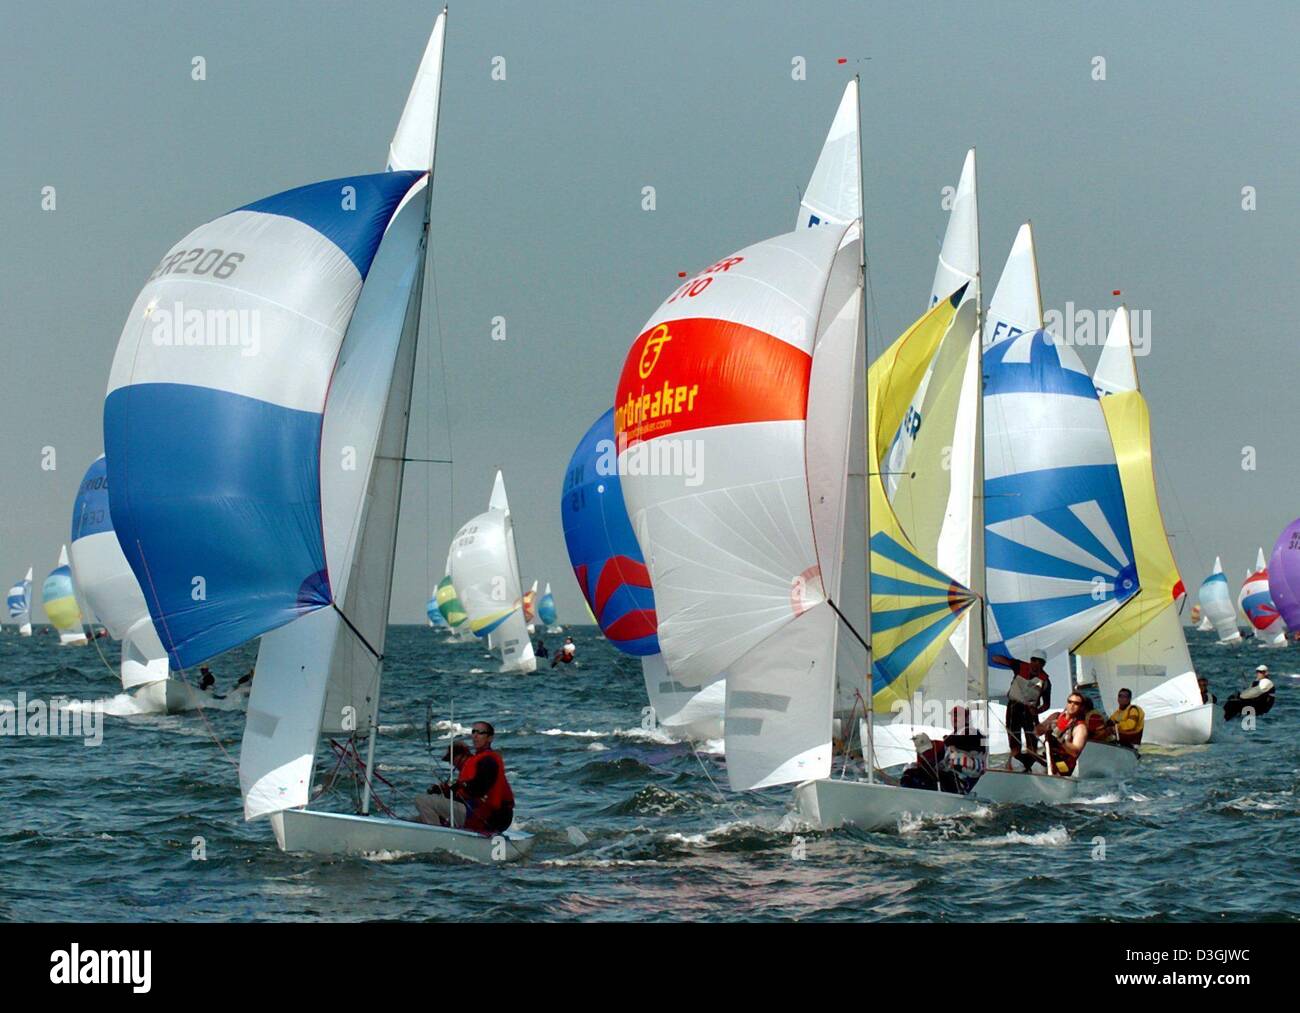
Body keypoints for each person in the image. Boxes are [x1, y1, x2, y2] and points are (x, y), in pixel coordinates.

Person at [416, 722, 516, 834]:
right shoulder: (479, 760)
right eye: (473, 732)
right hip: (486, 814)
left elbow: (478, 789)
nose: (475, 735)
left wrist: (458, 787)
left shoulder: (488, 761)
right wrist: (446, 791)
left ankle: (437, 837)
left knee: (422, 800)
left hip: (489, 817)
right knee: (418, 820)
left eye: (481, 733)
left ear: (490, 738)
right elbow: (468, 791)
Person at [991, 653, 1050, 770]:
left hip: (1030, 713)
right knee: (1014, 742)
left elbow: (1047, 704)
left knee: (1032, 744)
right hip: (1014, 709)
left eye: (1039, 662)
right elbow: (999, 659)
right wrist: (988, 653)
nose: (1036, 663)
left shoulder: (1045, 681)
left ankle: (1032, 767)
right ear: (1030, 660)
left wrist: (1037, 711)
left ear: (1043, 664)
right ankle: (1012, 766)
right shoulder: (1020, 666)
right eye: (1034, 660)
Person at [1034, 691, 1090, 775]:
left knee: (1044, 768)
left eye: (1076, 703)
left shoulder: (1080, 728)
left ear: (1081, 707)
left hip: (1063, 765)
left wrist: (1060, 737)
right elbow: (1037, 731)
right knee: (1024, 764)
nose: (1072, 705)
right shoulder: (1056, 716)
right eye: (1070, 702)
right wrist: (1046, 725)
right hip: (1048, 757)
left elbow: (1075, 752)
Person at [937, 705, 987, 794]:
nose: (954, 718)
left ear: (966, 718)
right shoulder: (954, 733)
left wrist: (948, 740)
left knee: (955, 759)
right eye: (953, 716)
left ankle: (960, 788)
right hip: (957, 773)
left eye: (958, 716)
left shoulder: (972, 731)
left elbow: (962, 740)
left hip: (968, 773)